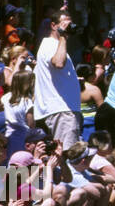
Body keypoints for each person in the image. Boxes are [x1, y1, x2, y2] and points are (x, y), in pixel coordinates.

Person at [33, 10, 82, 151]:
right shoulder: (50, 44)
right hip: (61, 110)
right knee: (67, 154)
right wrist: (63, 37)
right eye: (65, 23)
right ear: (54, 26)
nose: (69, 26)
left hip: (63, 109)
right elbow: (58, 63)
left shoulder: (57, 45)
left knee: (60, 155)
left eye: (70, 23)